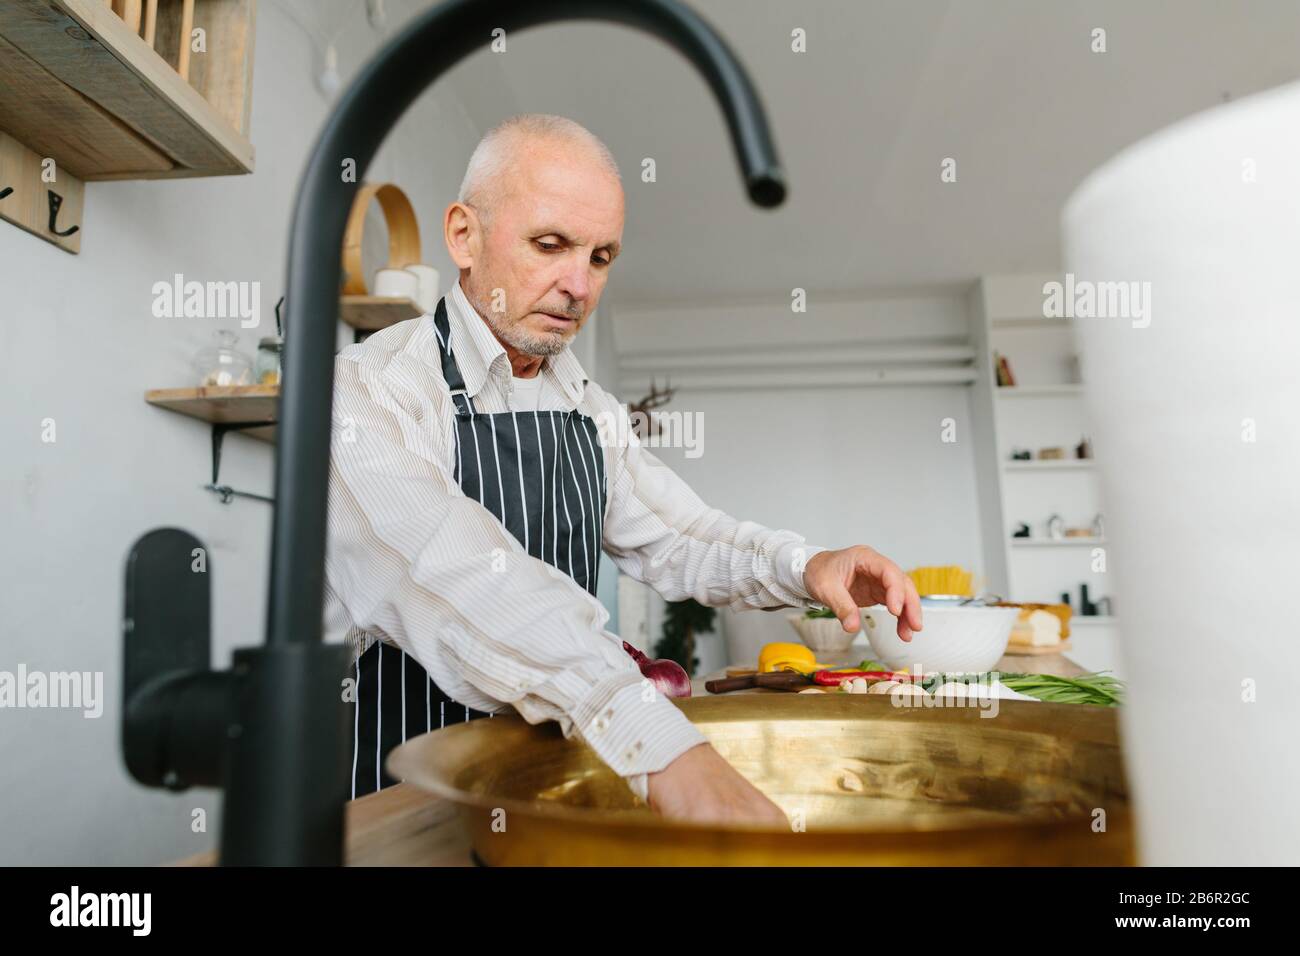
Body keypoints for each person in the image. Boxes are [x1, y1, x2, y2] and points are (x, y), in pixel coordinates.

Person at [325, 114, 922, 824]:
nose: (578, 285)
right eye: (550, 245)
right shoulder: (369, 390)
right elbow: (455, 576)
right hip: (405, 807)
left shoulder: (587, 407)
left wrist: (805, 565)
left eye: (602, 257)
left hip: (546, 794)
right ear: (463, 235)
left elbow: (680, 534)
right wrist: (652, 736)